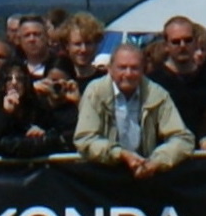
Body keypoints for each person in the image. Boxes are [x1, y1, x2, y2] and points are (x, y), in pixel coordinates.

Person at [74, 43, 194, 178]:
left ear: (144, 70)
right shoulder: (95, 92)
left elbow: (183, 138)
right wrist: (120, 154)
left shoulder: (157, 94)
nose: (128, 74)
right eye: (122, 68)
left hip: (146, 175)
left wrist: (156, 161)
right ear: (110, 69)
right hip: (103, 176)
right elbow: (85, 139)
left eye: (134, 68)